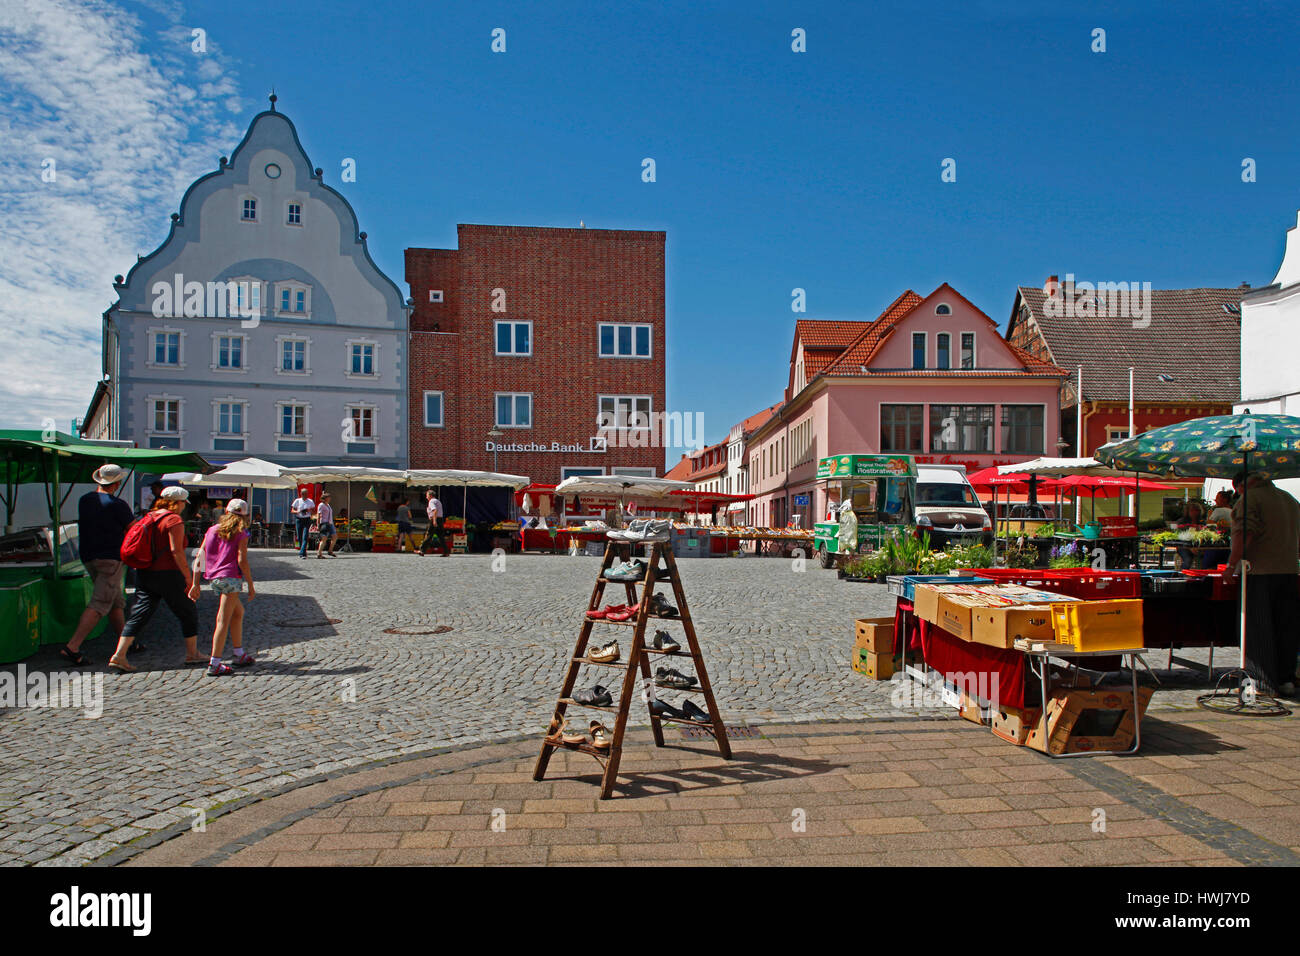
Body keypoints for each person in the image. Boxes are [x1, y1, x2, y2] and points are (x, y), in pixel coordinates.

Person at [1224, 471, 1300, 696]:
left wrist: (1231, 565)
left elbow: (1244, 533)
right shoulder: (1288, 499)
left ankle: (1260, 681)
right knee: (1285, 627)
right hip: (1288, 570)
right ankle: (1285, 679)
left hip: (1259, 571)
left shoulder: (1251, 499)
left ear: (1241, 485)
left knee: (1257, 628)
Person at [110, 486, 202, 672]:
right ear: (177, 503)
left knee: (140, 614)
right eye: (184, 503)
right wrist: (188, 577)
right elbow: (176, 551)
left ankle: (119, 655)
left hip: (145, 571)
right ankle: (192, 654)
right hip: (168, 573)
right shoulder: (173, 520)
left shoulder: (149, 517)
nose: (184, 506)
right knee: (188, 611)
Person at [61, 463, 135, 665]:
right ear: (117, 483)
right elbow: (133, 529)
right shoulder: (118, 505)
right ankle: (72, 647)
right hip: (110, 557)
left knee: (115, 600)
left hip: (88, 556)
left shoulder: (85, 500)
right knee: (101, 602)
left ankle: (126, 642)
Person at [193, 499, 256, 676]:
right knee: (223, 620)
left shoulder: (212, 530)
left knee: (238, 613)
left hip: (215, 577)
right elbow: (242, 560)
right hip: (231, 577)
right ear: (245, 516)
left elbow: (199, 556)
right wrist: (250, 584)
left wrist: (195, 583)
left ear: (226, 512)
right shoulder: (241, 532)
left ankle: (239, 653)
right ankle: (215, 663)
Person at [419, 489, 445, 556]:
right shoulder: (437, 501)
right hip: (440, 519)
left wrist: (434, 520)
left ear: (430, 495)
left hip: (435, 519)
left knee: (429, 535)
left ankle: (422, 550)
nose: (426, 497)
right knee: (441, 536)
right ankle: (446, 551)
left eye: (427, 495)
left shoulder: (431, 501)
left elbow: (435, 510)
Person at [291, 489, 316, 559]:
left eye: (306, 494)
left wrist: (309, 510)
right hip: (299, 519)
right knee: (299, 537)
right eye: (304, 494)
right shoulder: (297, 501)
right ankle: (303, 552)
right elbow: (292, 510)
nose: (305, 495)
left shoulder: (310, 501)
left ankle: (302, 553)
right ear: (301, 494)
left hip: (307, 519)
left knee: (305, 536)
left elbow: (314, 511)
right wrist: (297, 511)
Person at [315, 492, 338, 558]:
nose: (330, 498)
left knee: (335, 537)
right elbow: (318, 515)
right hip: (324, 523)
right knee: (324, 538)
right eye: (329, 497)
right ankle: (319, 553)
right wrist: (318, 524)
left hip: (330, 523)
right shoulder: (321, 505)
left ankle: (330, 551)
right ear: (325, 498)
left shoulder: (328, 505)